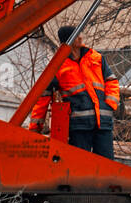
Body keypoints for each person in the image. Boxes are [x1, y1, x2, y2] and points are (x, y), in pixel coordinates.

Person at [27, 26, 120, 159]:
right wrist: (35, 127)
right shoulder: (58, 66)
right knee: (79, 166)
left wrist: (110, 103)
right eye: (77, 35)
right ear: (69, 40)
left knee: (107, 167)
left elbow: (111, 80)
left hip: (103, 123)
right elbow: (43, 97)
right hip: (79, 126)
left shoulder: (96, 57)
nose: (81, 37)